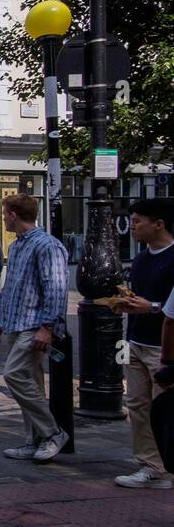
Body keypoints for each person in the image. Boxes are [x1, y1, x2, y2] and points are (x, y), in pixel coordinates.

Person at [0, 194, 70, 463]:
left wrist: (48, 327)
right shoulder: (19, 246)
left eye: (4, 213)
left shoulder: (48, 246)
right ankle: (34, 441)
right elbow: (10, 288)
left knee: (14, 375)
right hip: (15, 323)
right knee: (31, 382)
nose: (2, 218)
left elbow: (55, 289)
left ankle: (53, 433)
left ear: (13, 215)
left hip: (34, 325)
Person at [109, 199, 174, 488]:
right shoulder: (140, 258)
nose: (131, 226)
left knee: (166, 409)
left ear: (158, 224)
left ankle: (168, 467)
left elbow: (164, 308)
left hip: (164, 347)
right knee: (137, 405)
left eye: (137, 221)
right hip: (135, 340)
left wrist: (152, 306)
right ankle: (150, 466)